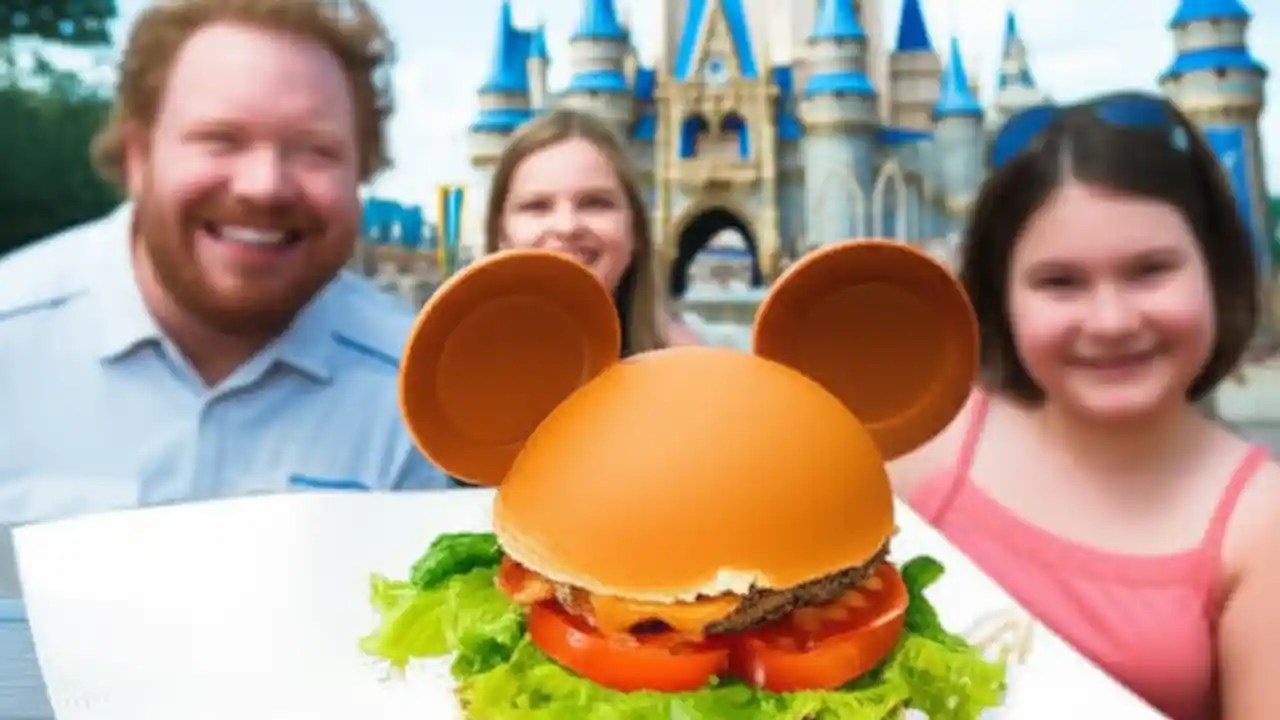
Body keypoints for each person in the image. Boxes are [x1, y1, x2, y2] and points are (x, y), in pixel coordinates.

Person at [0, 0, 451, 712]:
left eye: (315, 149)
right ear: (138, 153)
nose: (264, 185)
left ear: (361, 175)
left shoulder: (420, 396)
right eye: (220, 138)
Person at [890, 92, 1280, 720]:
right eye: (1061, 283)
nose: (1111, 320)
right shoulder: (929, 438)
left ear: (1216, 271)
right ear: (1001, 297)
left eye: (1150, 270)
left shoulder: (1264, 528)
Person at [482, 108, 701, 354]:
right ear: (501, 233)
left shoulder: (689, 374)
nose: (567, 226)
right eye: (537, 206)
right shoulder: (455, 378)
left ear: (636, 229)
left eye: (595, 203)